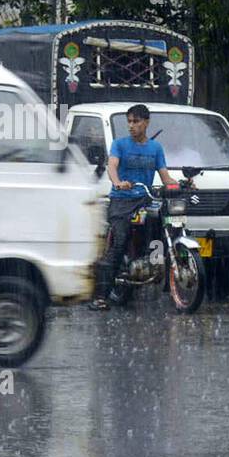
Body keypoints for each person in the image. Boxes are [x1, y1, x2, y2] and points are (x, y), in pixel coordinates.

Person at [90, 104, 177, 310]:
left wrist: (178, 185)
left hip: (145, 199)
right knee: (119, 243)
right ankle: (100, 296)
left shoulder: (156, 148)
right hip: (122, 200)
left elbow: (165, 176)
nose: (131, 126)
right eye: (129, 121)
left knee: (162, 224)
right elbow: (112, 166)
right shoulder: (120, 145)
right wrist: (118, 182)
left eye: (136, 121)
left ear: (146, 122)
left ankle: (155, 263)